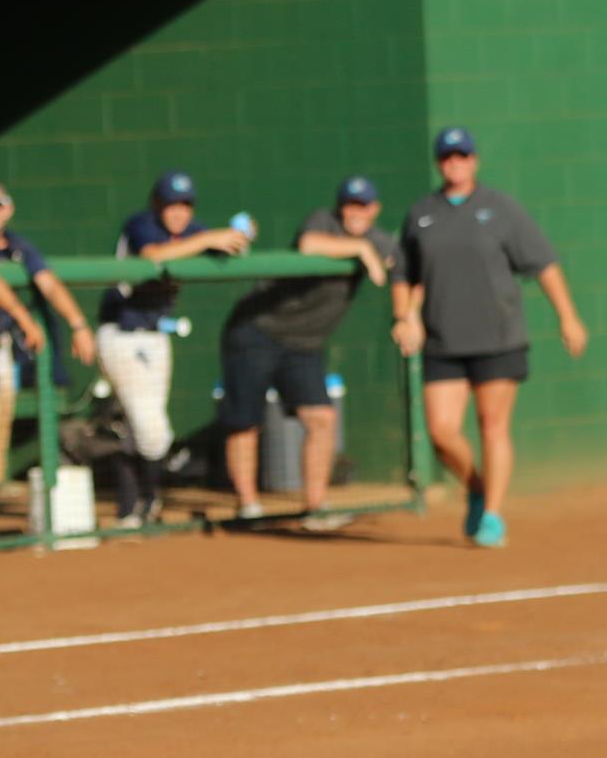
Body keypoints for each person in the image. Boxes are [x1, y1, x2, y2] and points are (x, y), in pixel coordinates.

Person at [391, 127, 589, 548]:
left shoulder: (501, 209)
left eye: (462, 156)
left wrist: (568, 318)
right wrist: (406, 317)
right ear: (438, 163)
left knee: (492, 424)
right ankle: (477, 488)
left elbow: (544, 265)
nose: (455, 163)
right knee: (442, 432)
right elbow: (403, 275)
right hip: (444, 341)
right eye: (447, 157)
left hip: (498, 338)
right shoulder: (422, 213)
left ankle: (493, 517)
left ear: (475, 160)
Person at [220, 176, 398, 529]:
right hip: (258, 329)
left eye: (364, 206)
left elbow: (398, 263)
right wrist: (360, 250)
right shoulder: (322, 221)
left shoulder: (382, 239)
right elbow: (309, 244)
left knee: (321, 418)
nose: (356, 212)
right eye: (350, 204)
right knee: (245, 422)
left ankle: (316, 508)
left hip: (303, 345)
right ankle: (248, 508)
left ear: (375, 209)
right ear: (340, 206)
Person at [0, 180, 97, 542]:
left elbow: (49, 283)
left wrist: (78, 324)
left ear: (9, 209)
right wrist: (25, 319)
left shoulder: (18, 246)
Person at [97, 171, 251, 527]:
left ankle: (133, 510)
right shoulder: (141, 224)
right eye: (171, 204)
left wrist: (240, 235)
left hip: (154, 336)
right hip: (121, 332)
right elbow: (155, 255)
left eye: (185, 204)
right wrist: (210, 237)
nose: (178, 212)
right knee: (153, 429)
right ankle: (146, 504)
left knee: (142, 429)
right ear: (157, 204)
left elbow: (224, 245)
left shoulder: (192, 230)